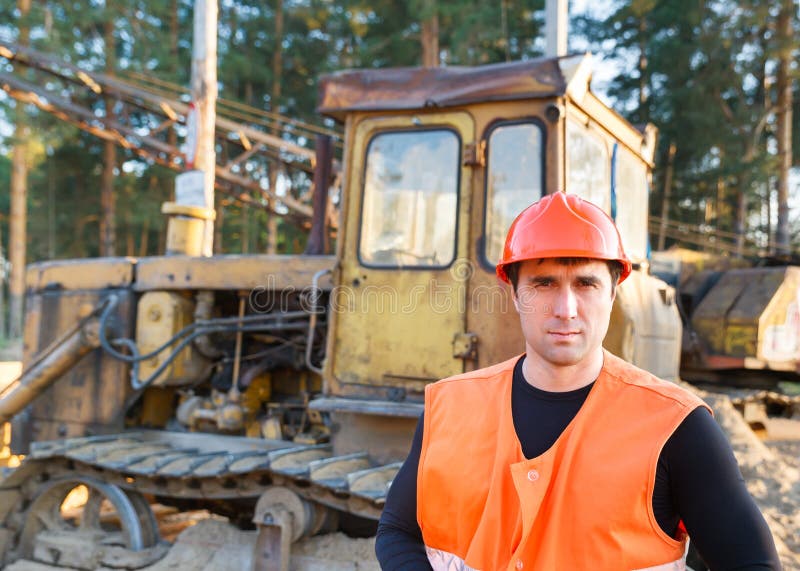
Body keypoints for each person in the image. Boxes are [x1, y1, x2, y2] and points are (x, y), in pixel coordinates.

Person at [375, 192, 781, 571]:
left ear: (612, 293)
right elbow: (397, 532)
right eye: (543, 283)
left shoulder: (677, 428)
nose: (566, 309)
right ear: (515, 294)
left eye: (586, 284)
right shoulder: (450, 407)